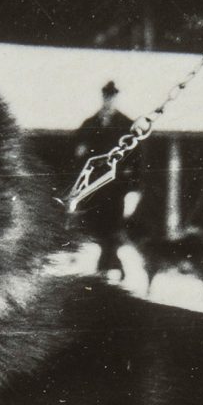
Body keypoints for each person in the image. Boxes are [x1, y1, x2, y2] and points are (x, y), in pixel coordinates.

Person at [71, 81, 134, 280]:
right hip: (96, 186)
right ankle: (111, 265)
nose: (109, 101)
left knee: (112, 227)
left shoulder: (126, 125)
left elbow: (136, 158)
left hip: (116, 188)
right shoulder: (90, 124)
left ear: (116, 98)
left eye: (112, 97)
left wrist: (134, 186)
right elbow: (77, 154)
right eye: (106, 97)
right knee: (97, 228)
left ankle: (106, 266)